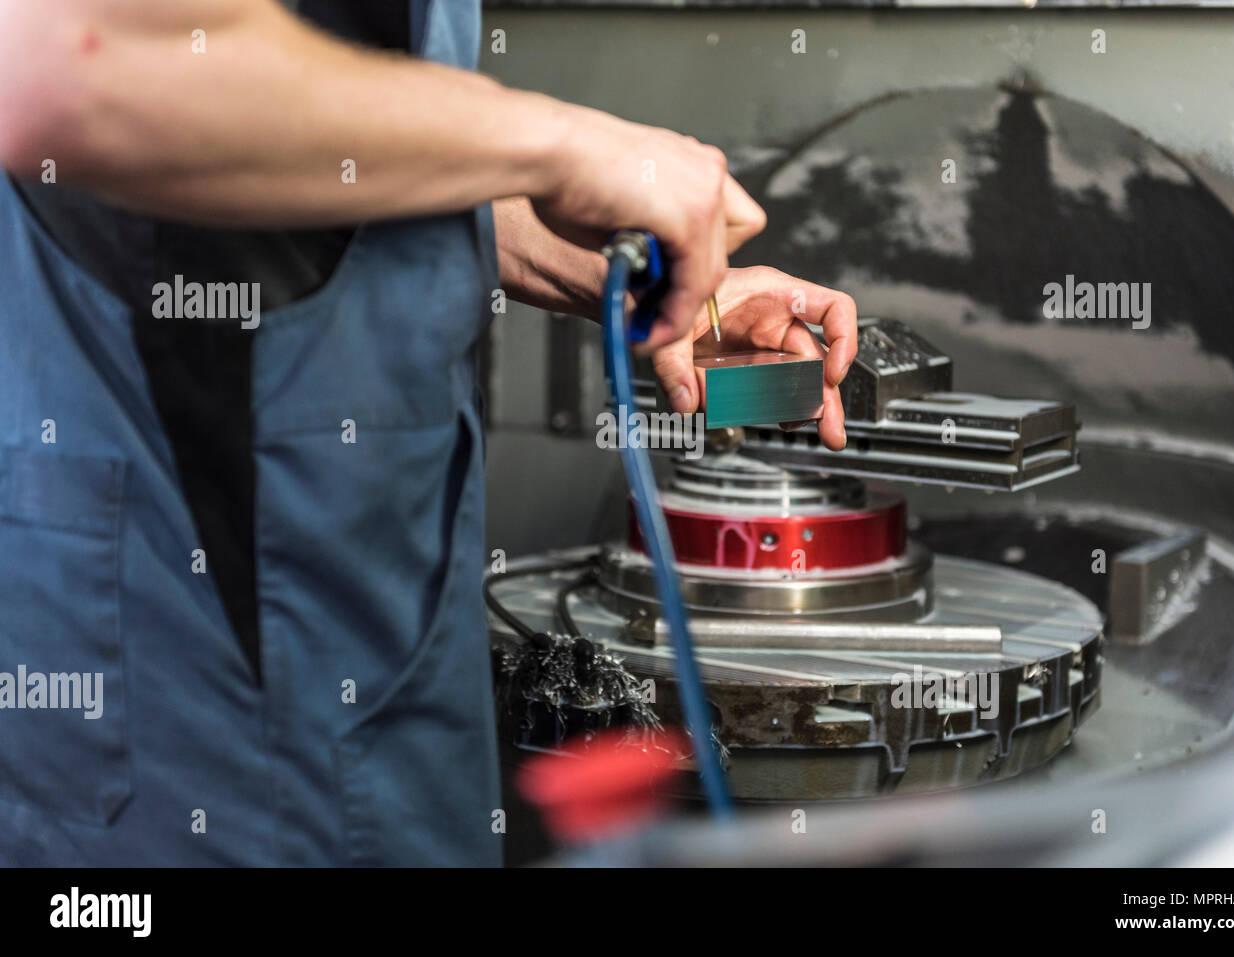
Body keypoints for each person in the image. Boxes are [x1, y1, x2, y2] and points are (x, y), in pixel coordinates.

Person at [0, 0, 858, 865]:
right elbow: (76, 63)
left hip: (387, 610)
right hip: (197, 625)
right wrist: (562, 145)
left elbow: (347, 162)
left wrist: (637, 277)